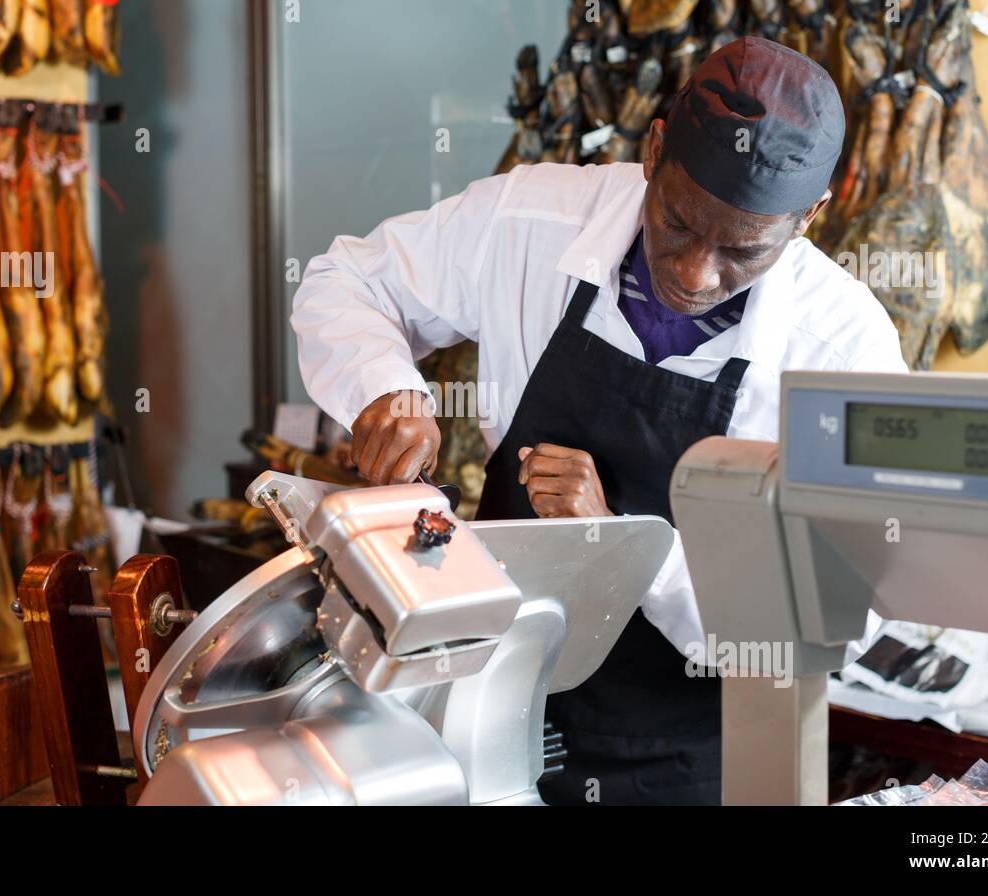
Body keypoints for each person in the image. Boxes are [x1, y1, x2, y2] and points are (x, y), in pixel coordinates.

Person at [291, 37, 905, 805]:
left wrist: (628, 546)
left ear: (810, 216)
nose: (693, 274)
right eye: (677, 224)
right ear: (653, 151)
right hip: (486, 712)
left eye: (741, 251)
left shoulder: (843, 349)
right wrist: (386, 388)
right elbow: (347, 282)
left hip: (689, 758)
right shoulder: (532, 219)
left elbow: (837, 620)